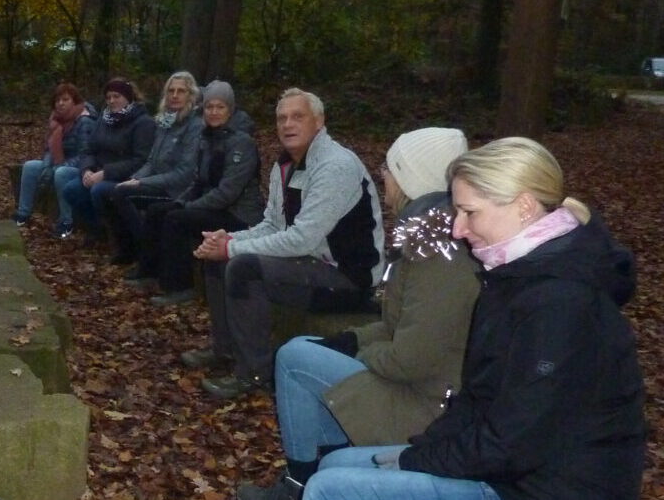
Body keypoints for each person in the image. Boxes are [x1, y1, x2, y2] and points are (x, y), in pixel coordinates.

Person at [302, 137, 645, 500]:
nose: (457, 229)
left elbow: (515, 442)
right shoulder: (513, 275)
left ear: (524, 207)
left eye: (470, 212)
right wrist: (422, 450)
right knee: (334, 467)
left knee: (330, 487)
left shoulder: (560, 300)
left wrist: (420, 461)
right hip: (511, 467)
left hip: (543, 486)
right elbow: (479, 398)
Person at [239, 127, 477, 500]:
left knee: (293, 358)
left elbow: (411, 360)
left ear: (412, 177)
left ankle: (300, 482)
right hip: (421, 382)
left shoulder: (441, 255)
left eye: (391, 166)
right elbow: (401, 326)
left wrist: (360, 351)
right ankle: (324, 464)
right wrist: (351, 338)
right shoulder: (429, 237)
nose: (383, 173)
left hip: (430, 402)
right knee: (305, 346)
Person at [195, 88, 384, 400]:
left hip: (347, 277)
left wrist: (232, 249)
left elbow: (302, 238)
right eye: (281, 118)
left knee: (243, 266)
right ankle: (224, 349)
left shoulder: (335, 165)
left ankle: (255, 372)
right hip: (309, 263)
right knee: (222, 258)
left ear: (319, 122)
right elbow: (273, 224)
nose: (287, 124)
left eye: (298, 116)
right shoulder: (285, 165)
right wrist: (228, 239)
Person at [134, 80, 263, 307]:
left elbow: (228, 192)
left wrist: (190, 207)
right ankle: (149, 272)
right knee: (158, 211)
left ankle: (181, 287)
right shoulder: (207, 138)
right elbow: (197, 180)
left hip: (238, 214)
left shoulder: (242, 143)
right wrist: (182, 201)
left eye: (220, 107)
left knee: (177, 219)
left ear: (230, 110)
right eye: (209, 107)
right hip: (212, 204)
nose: (213, 112)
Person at [107, 71, 203, 266]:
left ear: (190, 96)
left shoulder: (195, 126)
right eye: (171, 91)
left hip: (175, 189)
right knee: (116, 190)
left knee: (122, 195)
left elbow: (184, 173)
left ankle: (145, 255)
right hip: (156, 182)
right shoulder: (164, 122)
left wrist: (141, 182)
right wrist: (134, 179)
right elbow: (151, 162)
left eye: (181, 91)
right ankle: (129, 250)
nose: (175, 95)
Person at [59, 77, 155, 240]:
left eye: (116, 96)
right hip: (97, 171)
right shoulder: (103, 119)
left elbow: (141, 159)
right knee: (71, 189)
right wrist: (87, 169)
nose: (111, 101)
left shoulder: (142, 122)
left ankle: (118, 235)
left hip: (126, 176)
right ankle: (96, 227)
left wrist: (106, 173)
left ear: (128, 97)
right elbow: (89, 149)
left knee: (99, 191)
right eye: (108, 97)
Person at [11, 83, 96, 236]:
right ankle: (23, 213)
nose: (60, 103)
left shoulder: (85, 121)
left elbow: (86, 153)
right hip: (58, 163)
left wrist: (60, 165)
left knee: (61, 172)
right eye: (58, 100)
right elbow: (49, 150)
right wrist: (47, 167)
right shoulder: (56, 121)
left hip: (81, 167)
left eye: (65, 99)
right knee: (30, 166)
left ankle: (66, 222)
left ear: (74, 101)